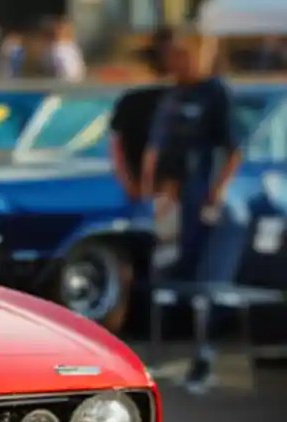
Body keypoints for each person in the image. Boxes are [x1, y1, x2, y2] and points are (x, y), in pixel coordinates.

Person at [141, 31, 244, 392]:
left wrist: (215, 192)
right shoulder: (173, 95)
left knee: (206, 281)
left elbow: (233, 150)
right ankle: (162, 358)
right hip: (170, 203)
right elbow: (157, 148)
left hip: (202, 201)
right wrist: (151, 187)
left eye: (184, 55)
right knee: (167, 276)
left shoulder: (215, 94)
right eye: (174, 56)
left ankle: (205, 358)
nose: (177, 62)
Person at [109, 28, 176, 204]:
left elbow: (117, 148)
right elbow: (118, 147)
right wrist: (131, 185)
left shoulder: (196, 97)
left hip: (155, 191)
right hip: (144, 191)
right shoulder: (133, 100)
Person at [48, 17, 85, 82]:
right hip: (64, 81)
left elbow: (79, 64)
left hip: (77, 79)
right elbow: (59, 66)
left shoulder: (73, 46)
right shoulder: (56, 48)